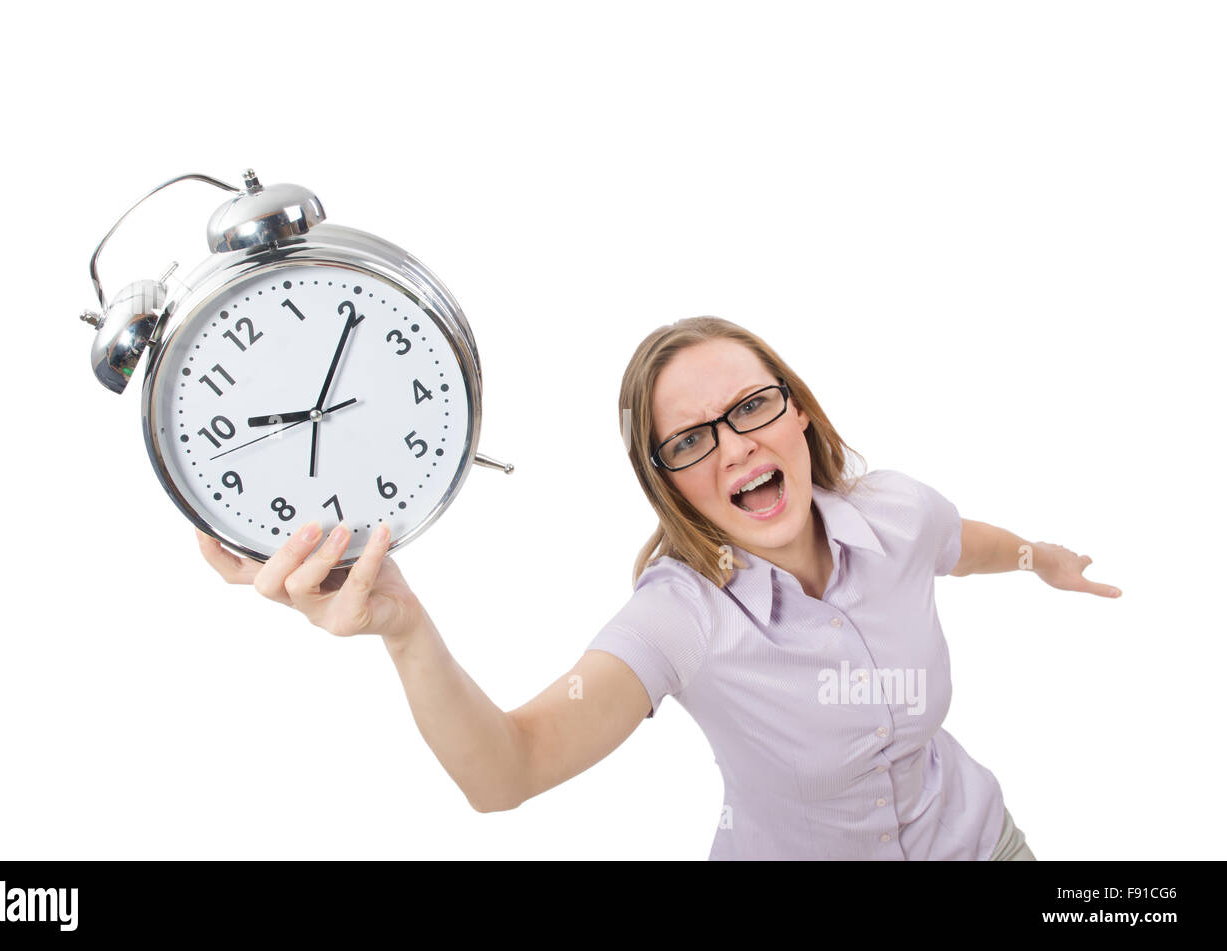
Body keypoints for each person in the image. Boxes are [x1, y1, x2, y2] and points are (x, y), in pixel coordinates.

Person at [197, 316, 1120, 860]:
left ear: (797, 409)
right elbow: (506, 770)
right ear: (668, 479)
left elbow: (968, 544)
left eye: (753, 407)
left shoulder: (898, 513)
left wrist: (1046, 560)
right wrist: (405, 626)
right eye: (691, 440)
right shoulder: (681, 619)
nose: (737, 446)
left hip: (980, 841)